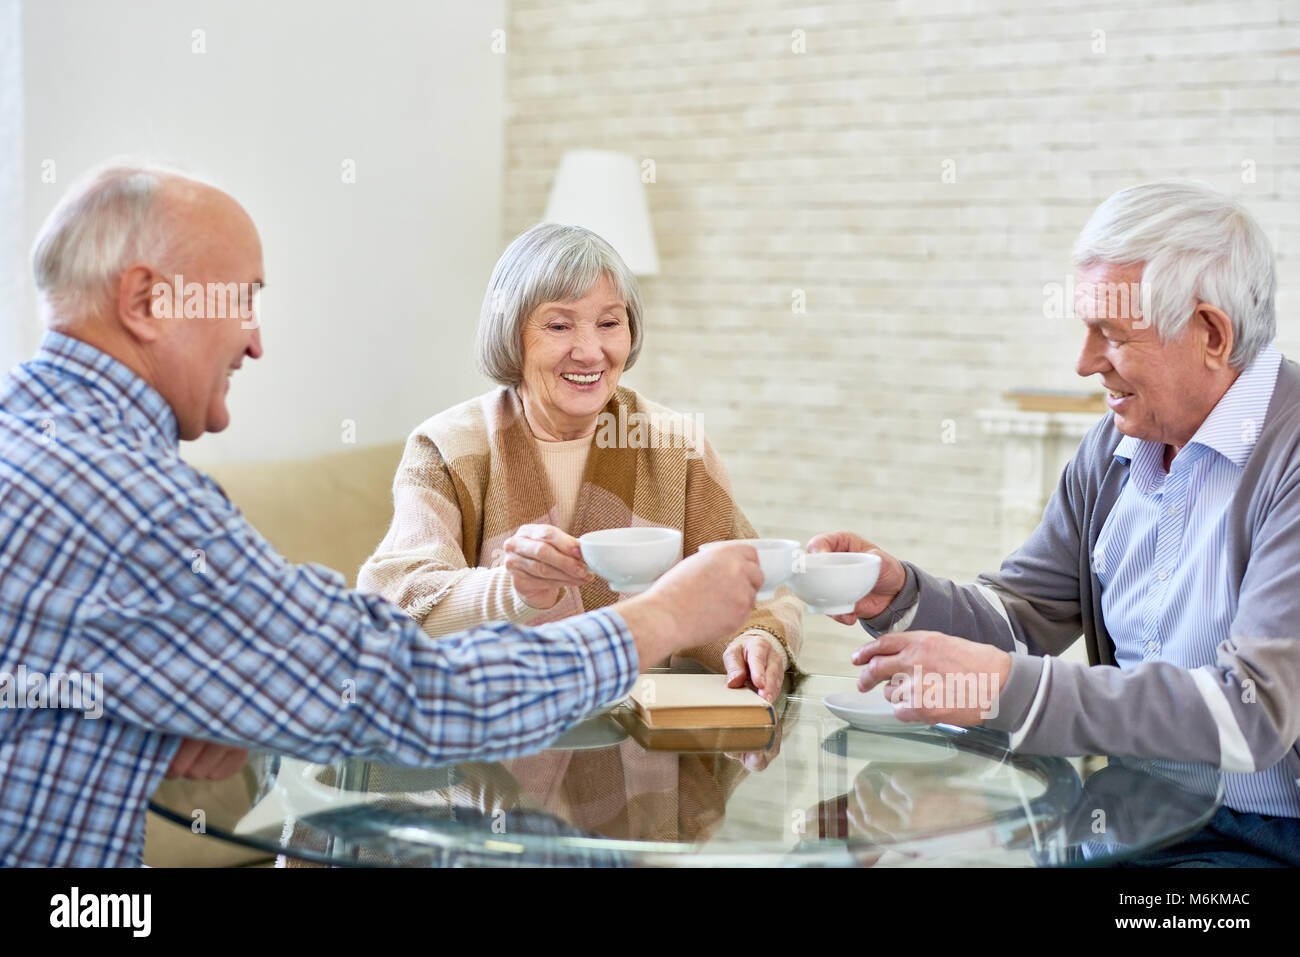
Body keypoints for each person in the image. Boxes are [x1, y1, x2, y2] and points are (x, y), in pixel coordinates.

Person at [0, 162, 764, 867]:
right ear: (144, 301)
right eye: (243, 299)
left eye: (609, 322)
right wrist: (659, 619)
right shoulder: (136, 504)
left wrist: (162, 716)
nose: (255, 339)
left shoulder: (35, 447)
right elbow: (404, 688)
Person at [810, 180, 1300, 865]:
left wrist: (1004, 686)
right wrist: (899, 593)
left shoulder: (1290, 456)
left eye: (1113, 334)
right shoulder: (1115, 447)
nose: (1084, 362)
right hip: (1129, 810)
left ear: (1211, 334)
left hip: (1266, 840)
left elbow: (1253, 713)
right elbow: (1021, 618)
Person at [358, 223, 802, 702]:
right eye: (559, 325)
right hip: (493, 748)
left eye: (609, 323)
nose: (591, 352)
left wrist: (757, 640)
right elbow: (395, 604)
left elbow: (753, 586)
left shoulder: (677, 446)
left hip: (646, 751)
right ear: (512, 334)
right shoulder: (448, 447)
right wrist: (517, 591)